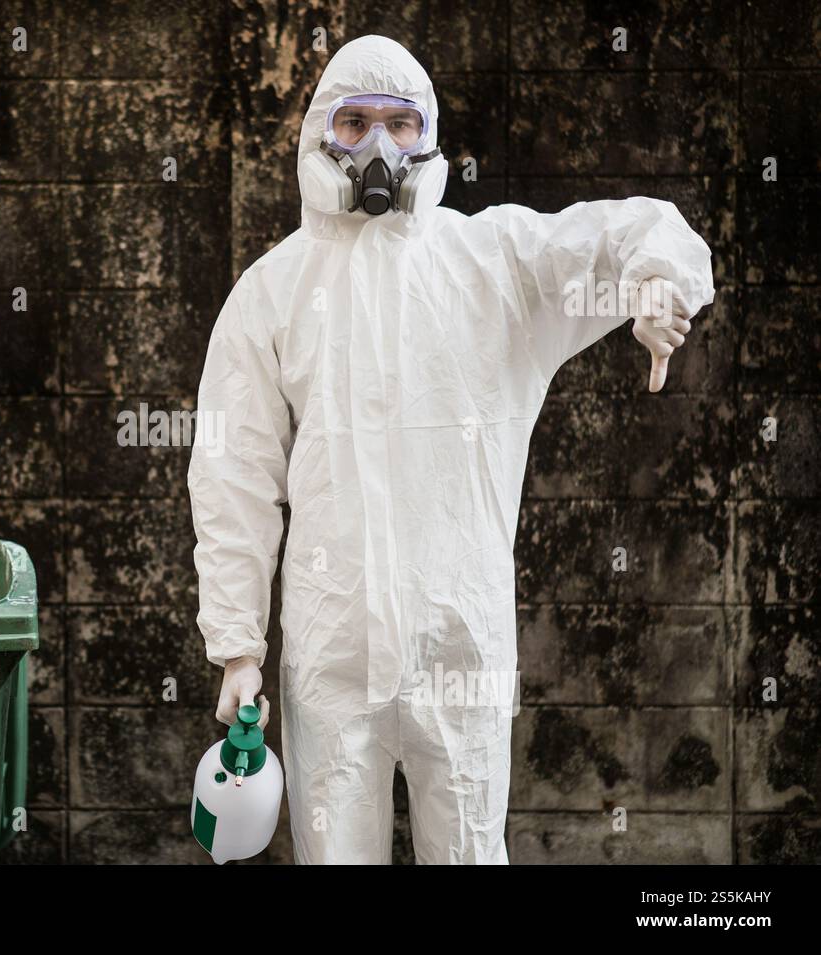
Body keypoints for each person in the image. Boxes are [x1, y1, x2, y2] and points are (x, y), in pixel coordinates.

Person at [187, 34, 715, 864]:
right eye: (353, 122)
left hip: (459, 651)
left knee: (469, 849)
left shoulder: (491, 265)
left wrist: (655, 282)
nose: (376, 148)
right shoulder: (273, 292)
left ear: (429, 138)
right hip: (333, 660)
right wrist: (238, 647)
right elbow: (233, 476)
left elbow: (627, 230)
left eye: (401, 124)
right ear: (318, 133)